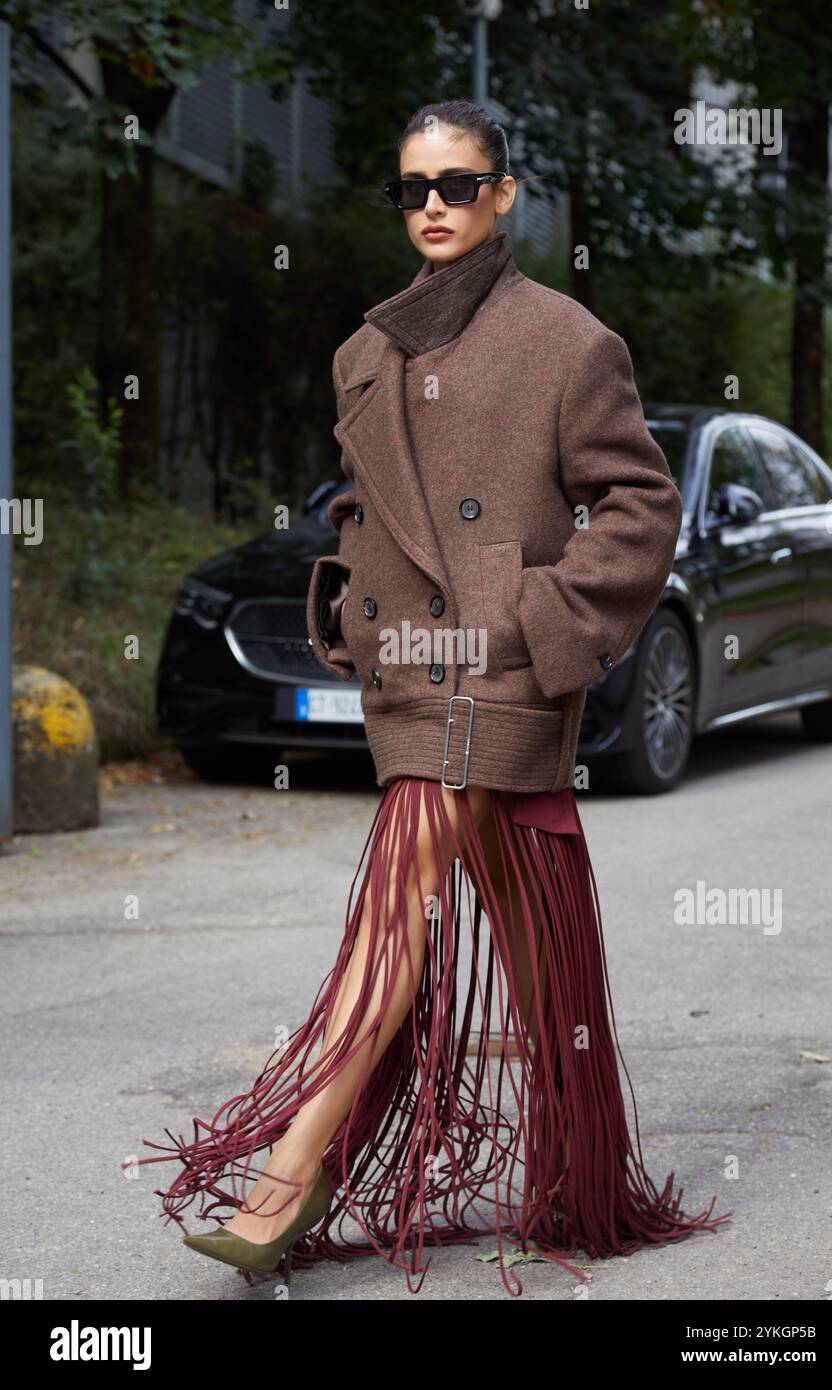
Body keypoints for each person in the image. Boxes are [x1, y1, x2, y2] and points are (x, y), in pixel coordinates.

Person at [129, 99, 731, 1298]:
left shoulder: (567, 342)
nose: (435, 208)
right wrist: (353, 595)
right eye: (413, 189)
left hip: (500, 669)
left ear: (503, 194)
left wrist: (534, 619)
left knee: (397, 896)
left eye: (458, 185)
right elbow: (374, 507)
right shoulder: (365, 351)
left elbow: (638, 508)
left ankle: (283, 1180)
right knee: (530, 929)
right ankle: (580, 1181)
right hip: (411, 675)